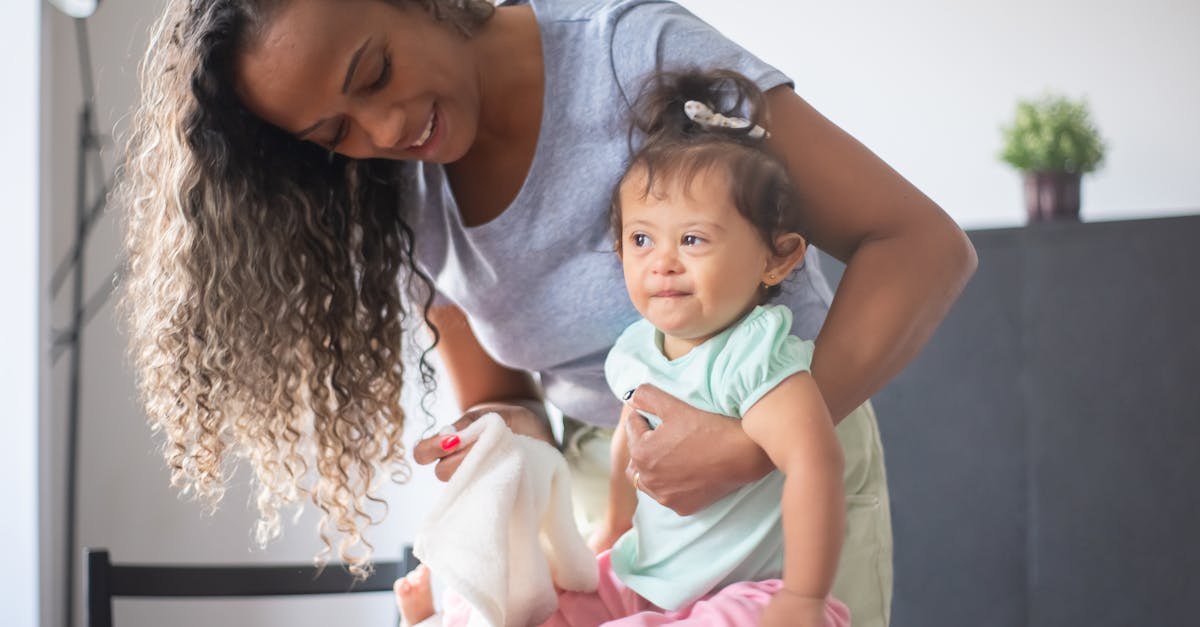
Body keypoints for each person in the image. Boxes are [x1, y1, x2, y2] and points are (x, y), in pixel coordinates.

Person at [117, 0, 976, 625]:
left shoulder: (630, 55)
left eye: (374, 73)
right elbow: (513, 401)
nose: (384, 130)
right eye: (334, 130)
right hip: (623, 507)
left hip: (792, 474)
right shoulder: (403, 199)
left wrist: (749, 446)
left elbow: (922, 244)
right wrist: (488, 445)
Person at [392, 68, 854, 627]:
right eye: (641, 239)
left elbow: (815, 465)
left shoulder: (758, 357)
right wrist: (614, 527)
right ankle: (446, 616)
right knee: (533, 603)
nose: (663, 261)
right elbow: (628, 441)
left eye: (692, 239)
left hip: (748, 592)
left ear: (776, 258)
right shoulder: (637, 348)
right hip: (648, 575)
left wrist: (802, 598)